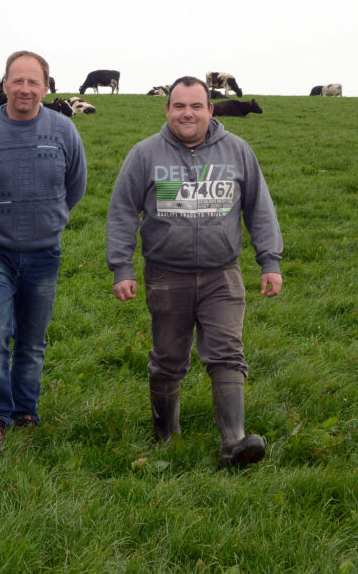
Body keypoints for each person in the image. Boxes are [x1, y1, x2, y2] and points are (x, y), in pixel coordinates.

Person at [106, 76, 283, 466]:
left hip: (223, 273)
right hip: (166, 274)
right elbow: (122, 211)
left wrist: (269, 260)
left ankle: (234, 442)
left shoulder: (237, 151)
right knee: (168, 357)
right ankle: (167, 436)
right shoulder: (144, 154)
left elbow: (259, 208)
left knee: (226, 353)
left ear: (211, 110)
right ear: (167, 109)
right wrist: (122, 267)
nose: (188, 113)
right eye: (179, 106)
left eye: (196, 106)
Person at [0, 51, 87, 445]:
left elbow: (76, 185)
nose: (25, 88)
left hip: (43, 253)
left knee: (33, 338)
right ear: (3, 84)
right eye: (17, 80)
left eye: (33, 82)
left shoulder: (64, 130)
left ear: (46, 87)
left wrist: (49, 218)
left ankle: (26, 410)